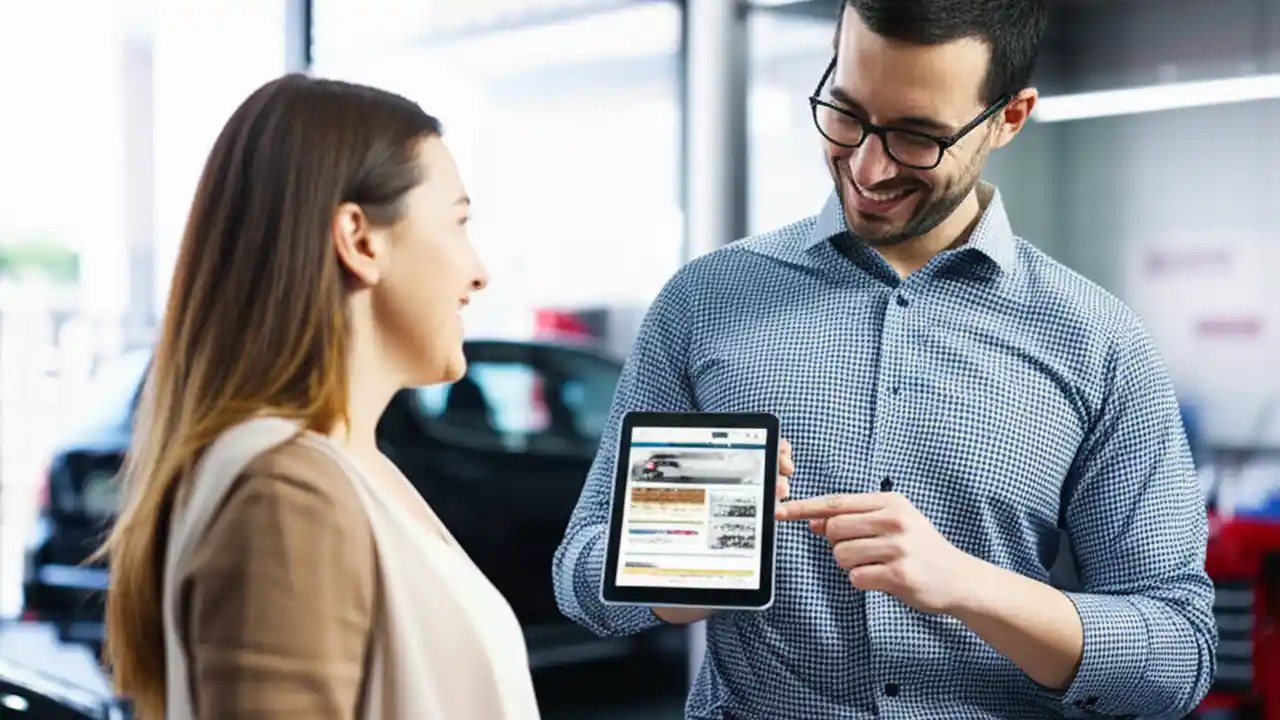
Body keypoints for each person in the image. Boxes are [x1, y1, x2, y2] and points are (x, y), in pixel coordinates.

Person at [553, 1, 1217, 718]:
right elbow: (581, 578)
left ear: (1009, 118)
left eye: (916, 137)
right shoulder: (704, 302)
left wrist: (969, 585)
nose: (868, 166)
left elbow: (1180, 654)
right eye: (845, 113)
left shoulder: (1101, 343)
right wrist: (681, 568)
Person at [99, 75, 542, 719]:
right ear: (360, 241)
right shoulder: (288, 493)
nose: (478, 271)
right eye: (458, 223)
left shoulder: (346, 468)